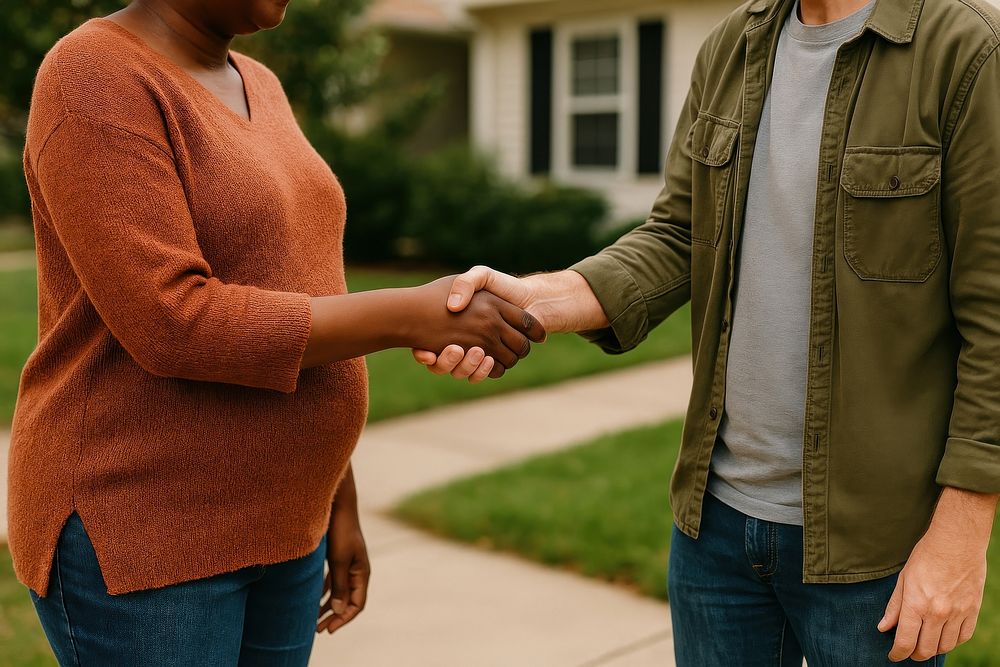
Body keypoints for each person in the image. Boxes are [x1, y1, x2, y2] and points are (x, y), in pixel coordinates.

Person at [415, 0, 1000, 663]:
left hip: (876, 549)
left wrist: (961, 532)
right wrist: (535, 301)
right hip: (715, 536)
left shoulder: (966, 51)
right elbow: (677, 237)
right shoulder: (733, 46)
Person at [10, 0, 545, 664]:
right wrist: (413, 312)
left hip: (290, 526)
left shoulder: (260, 83)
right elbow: (172, 321)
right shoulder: (93, 75)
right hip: (148, 532)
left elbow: (302, 290)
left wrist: (335, 496)